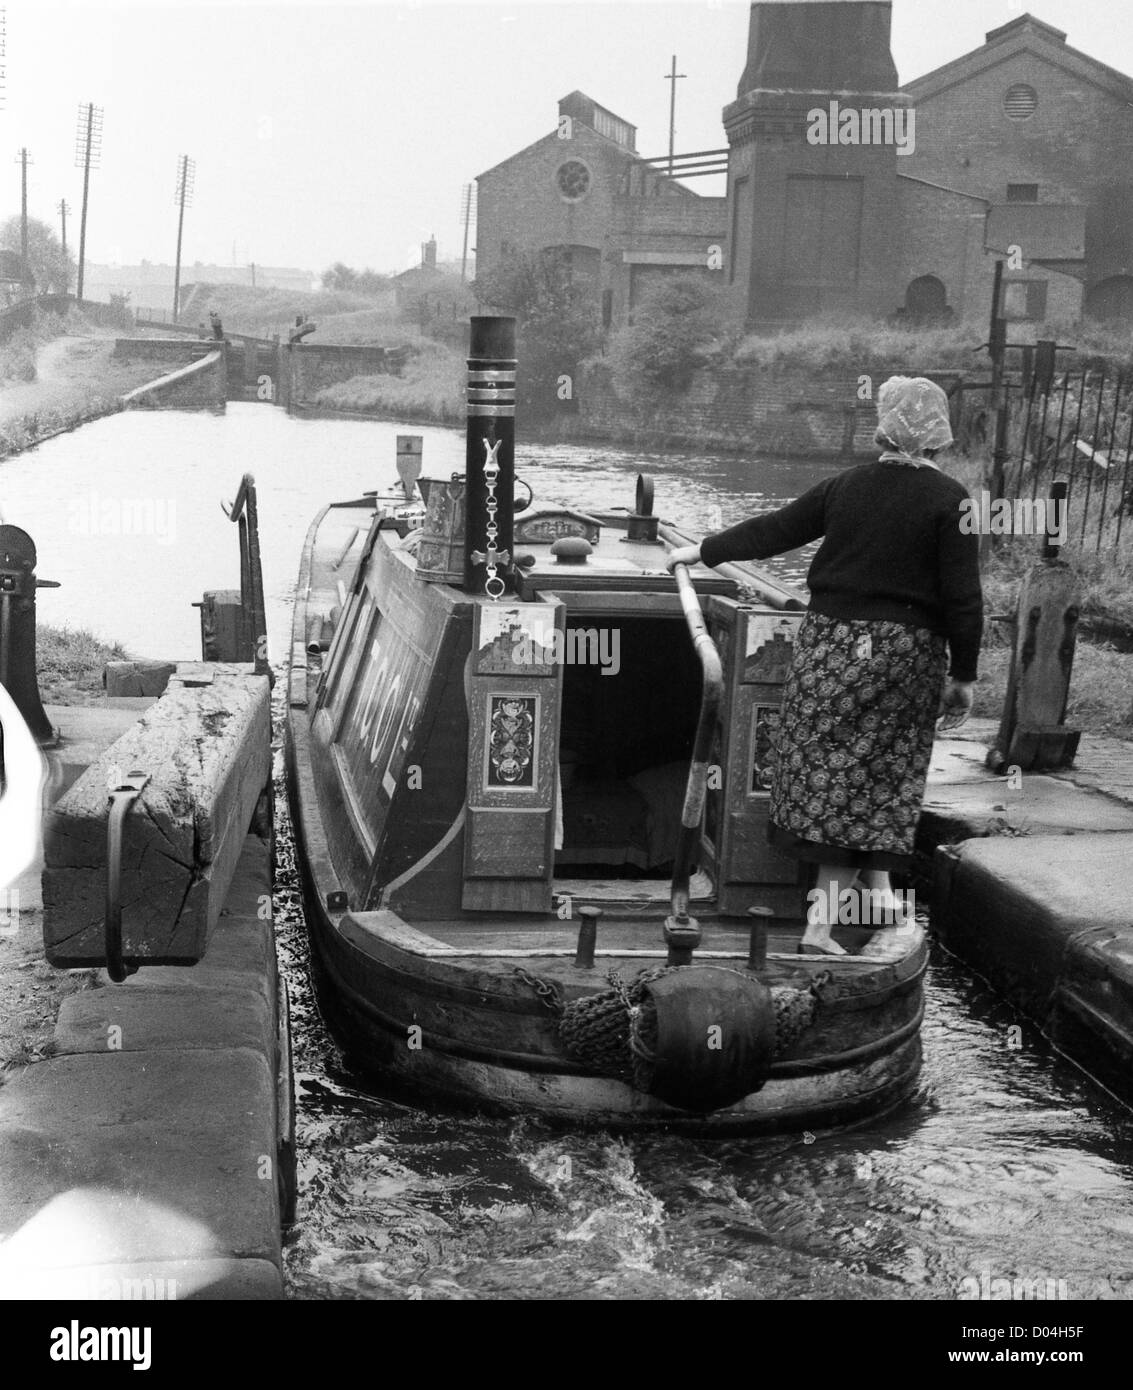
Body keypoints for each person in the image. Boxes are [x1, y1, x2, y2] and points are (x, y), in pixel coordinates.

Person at [668, 376, 983, 955]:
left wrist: (703, 550)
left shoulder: (845, 486)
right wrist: (963, 675)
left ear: (881, 428)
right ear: (939, 438)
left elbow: (774, 531)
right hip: (901, 656)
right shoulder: (952, 501)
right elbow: (964, 598)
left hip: (829, 645)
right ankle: (819, 931)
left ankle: (879, 892)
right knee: (879, 776)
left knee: (831, 773)